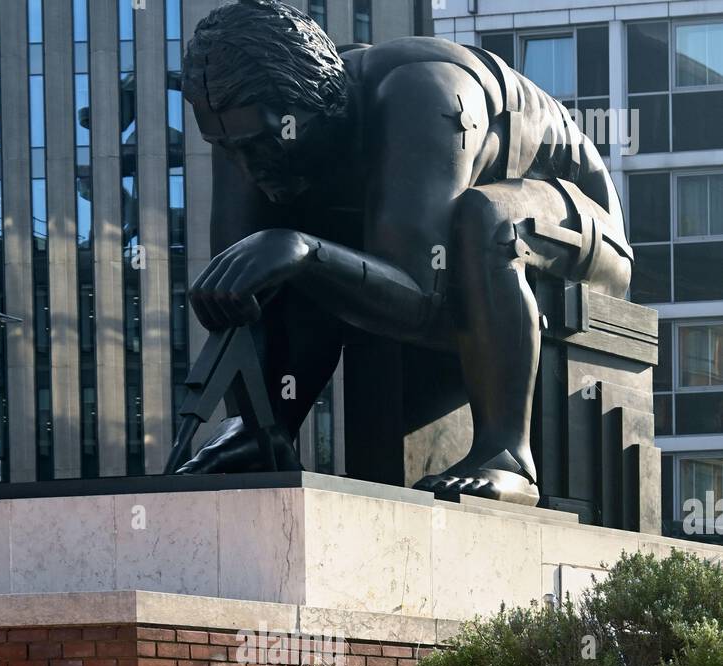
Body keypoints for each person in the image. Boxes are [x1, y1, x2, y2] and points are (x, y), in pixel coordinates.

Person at [168, 0, 633, 503]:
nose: (246, 165)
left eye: (259, 142)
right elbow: (242, 296)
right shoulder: (244, 126)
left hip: (582, 231)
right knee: (284, 255)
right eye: (227, 146)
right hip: (441, 241)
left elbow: (422, 297)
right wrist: (253, 417)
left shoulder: (423, 92)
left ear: (316, 105)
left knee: (487, 218)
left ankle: (508, 455)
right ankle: (265, 434)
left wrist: (302, 250)